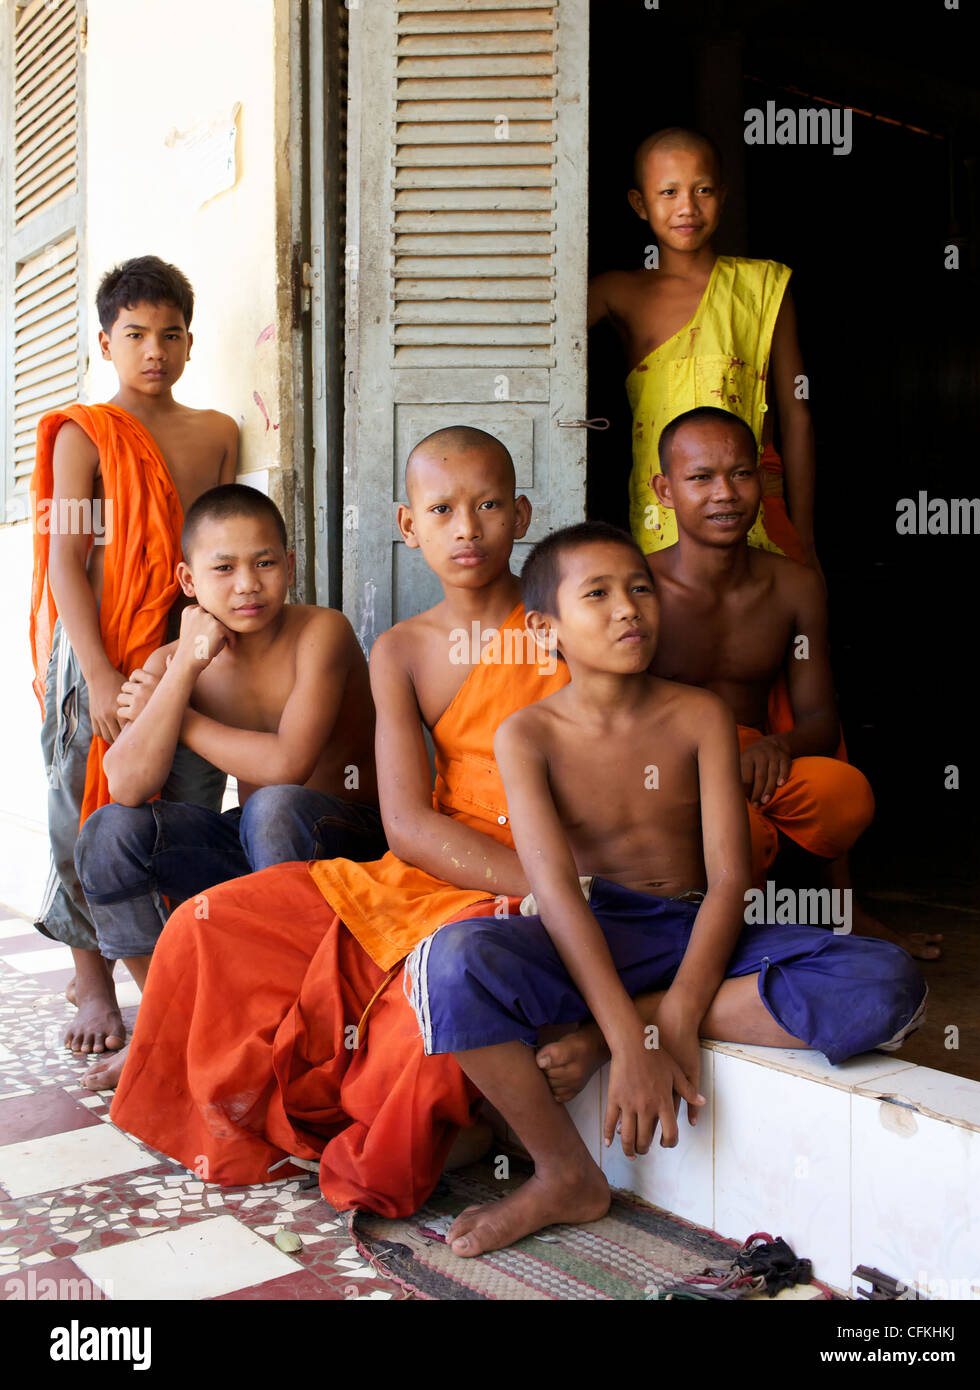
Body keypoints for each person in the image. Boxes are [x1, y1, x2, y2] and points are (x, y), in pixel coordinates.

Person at [404, 522, 926, 1257]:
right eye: (599, 594)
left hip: (695, 931)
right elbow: (554, 894)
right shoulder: (527, 735)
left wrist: (665, 1021)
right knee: (448, 962)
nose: (628, 608)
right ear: (544, 628)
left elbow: (728, 880)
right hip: (593, 931)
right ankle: (564, 1175)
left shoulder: (698, 715)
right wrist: (631, 1036)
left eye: (639, 588)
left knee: (883, 979)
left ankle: (609, 1027)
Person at [108, 427, 569, 1219]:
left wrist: (555, 891)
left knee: (410, 989)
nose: (467, 528)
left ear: (521, 514)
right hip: (424, 866)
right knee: (206, 926)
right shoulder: (401, 649)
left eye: (488, 505)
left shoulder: (567, 621)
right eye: (443, 509)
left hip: (533, 868)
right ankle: (255, 1088)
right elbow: (410, 823)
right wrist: (174, 677)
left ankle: (411, 1113)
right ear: (406, 524)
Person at [73, 484, 386, 1089]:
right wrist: (186, 667)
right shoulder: (177, 660)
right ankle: (172, 1024)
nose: (247, 584)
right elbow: (127, 785)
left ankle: (293, 1030)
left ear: (289, 567)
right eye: (224, 568)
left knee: (272, 806)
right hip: (260, 851)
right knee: (109, 832)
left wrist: (182, 715)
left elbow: (288, 764)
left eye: (264, 563)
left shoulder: (321, 632)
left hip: (348, 841)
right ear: (190, 582)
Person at [29, 255, 238, 1058]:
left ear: (190, 342)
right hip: (96, 652)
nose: (155, 350)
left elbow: (217, 549)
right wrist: (106, 675)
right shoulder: (84, 434)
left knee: (182, 805)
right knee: (77, 807)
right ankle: (91, 976)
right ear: (106, 344)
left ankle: (179, 971)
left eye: (171, 334)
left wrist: (198, 653)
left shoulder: (216, 434)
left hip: (184, 646)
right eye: (136, 335)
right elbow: (64, 561)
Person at [647, 406, 941, 959]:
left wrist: (777, 745)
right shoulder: (638, 587)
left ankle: (835, 915)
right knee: (744, 837)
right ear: (665, 490)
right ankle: (715, 944)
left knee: (844, 794)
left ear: (762, 479)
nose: (725, 494)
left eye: (741, 473)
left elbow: (820, 720)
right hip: (669, 773)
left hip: (759, 764)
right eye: (700, 477)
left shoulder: (795, 586)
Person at [588, 126, 816, 569]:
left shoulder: (763, 286)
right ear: (640, 203)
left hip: (756, 514)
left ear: (723, 196)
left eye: (703, 190)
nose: (687, 207)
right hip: (662, 514)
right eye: (668, 192)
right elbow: (538, 333)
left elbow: (797, 415)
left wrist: (805, 537)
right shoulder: (619, 291)